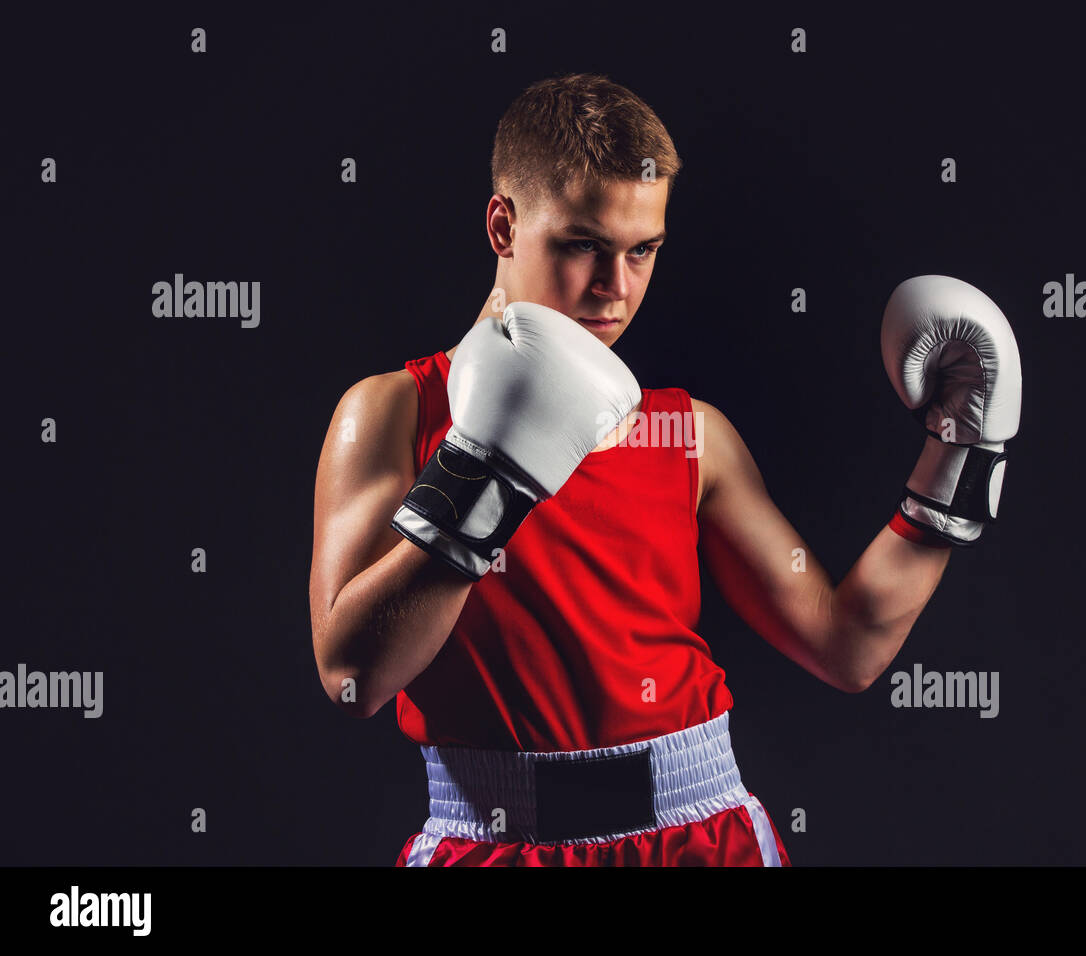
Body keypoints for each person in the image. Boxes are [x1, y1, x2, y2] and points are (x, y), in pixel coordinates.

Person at [308, 74, 1021, 867]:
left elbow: (848, 647)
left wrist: (962, 452)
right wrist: (485, 472)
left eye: (642, 251)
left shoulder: (689, 435)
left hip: (701, 835)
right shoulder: (393, 413)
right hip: (493, 840)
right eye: (584, 245)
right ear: (503, 226)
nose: (616, 289)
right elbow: (352, 677)